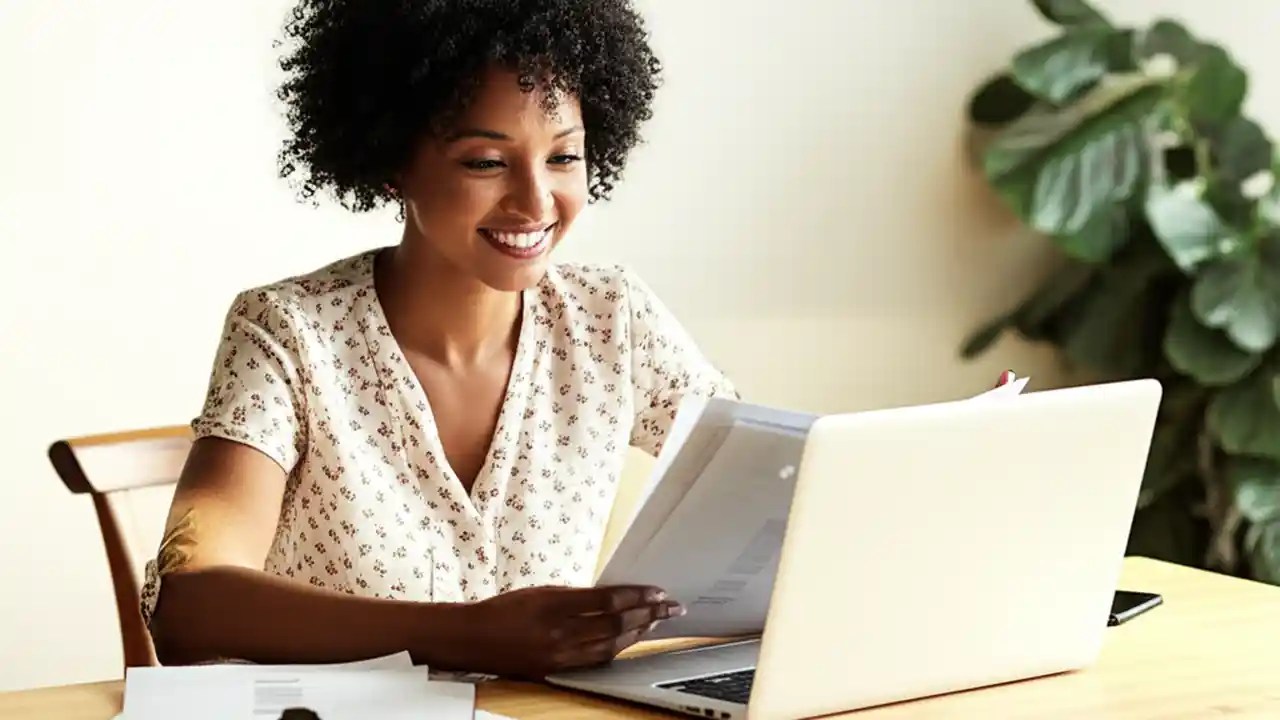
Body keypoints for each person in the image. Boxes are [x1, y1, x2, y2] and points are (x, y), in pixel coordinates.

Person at [141, 0, 738, 679]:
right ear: (394, 159)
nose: (537, 201)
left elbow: (778, 486)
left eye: (564, 156)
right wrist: (463, 634)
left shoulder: (613, 319)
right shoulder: (288, 332)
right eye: (486, 161)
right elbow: (189, 607)